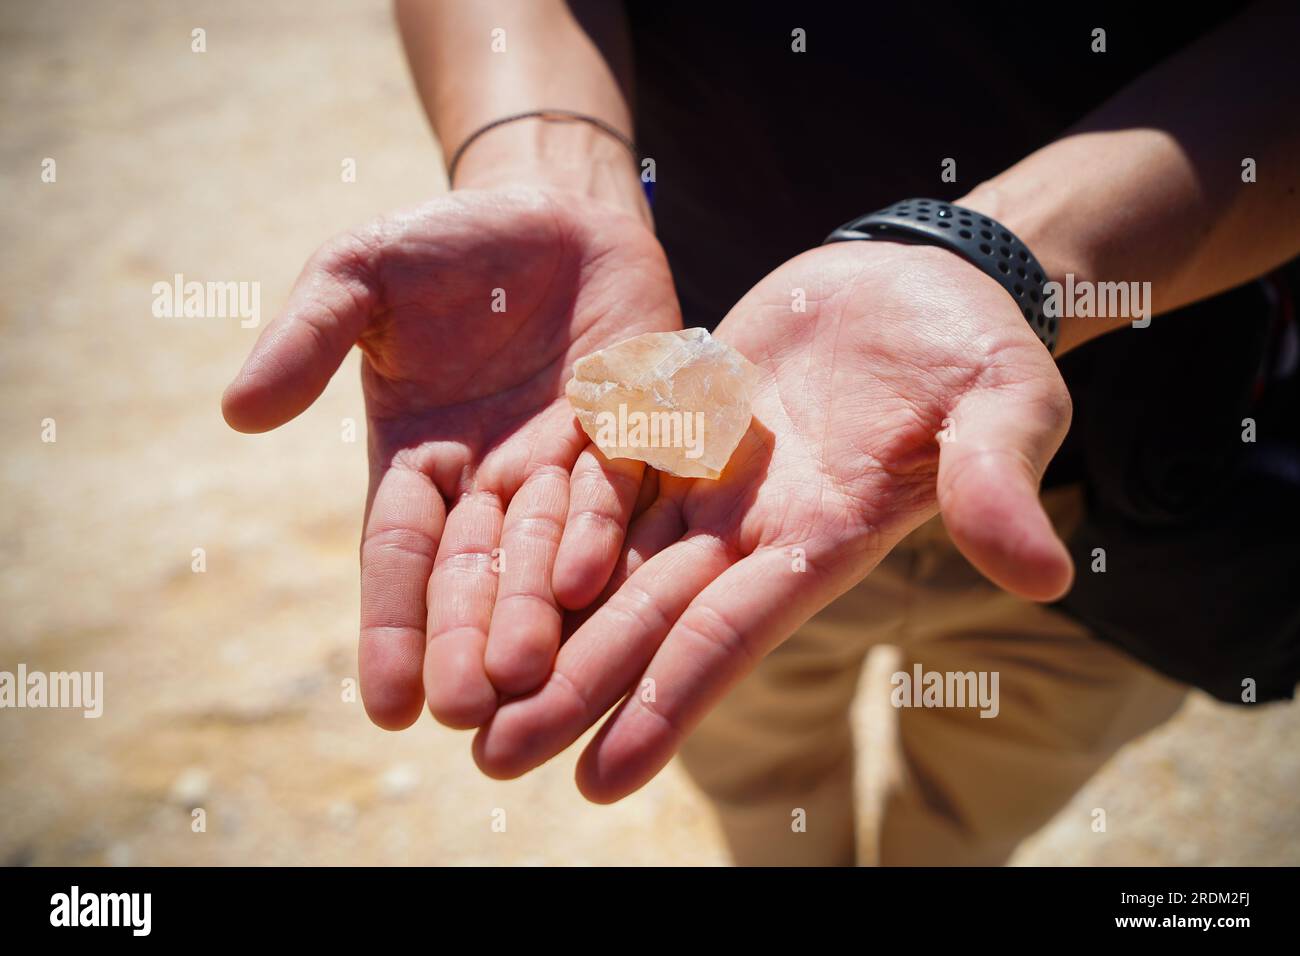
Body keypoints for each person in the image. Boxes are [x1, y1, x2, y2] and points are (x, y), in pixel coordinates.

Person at [222, 1, 1300, 865]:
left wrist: (996, 257)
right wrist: (543, 163)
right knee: (761, 790)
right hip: (697, 518)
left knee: (975, 816)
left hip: (1129, 479)